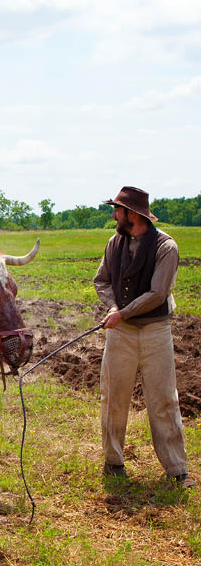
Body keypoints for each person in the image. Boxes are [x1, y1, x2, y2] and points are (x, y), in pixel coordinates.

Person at [94, 186, 194, 488]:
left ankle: (177, 469)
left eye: (117, 209)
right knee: (113, 396)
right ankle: (113, 462)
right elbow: (102, 280)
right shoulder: (114, 243)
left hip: (155, 331)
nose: (113, 214)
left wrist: (122, 313)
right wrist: (113, 306)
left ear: (132, 214)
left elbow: (157, 293)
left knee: (164, 400)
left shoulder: (166, 246)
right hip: (121, 334)